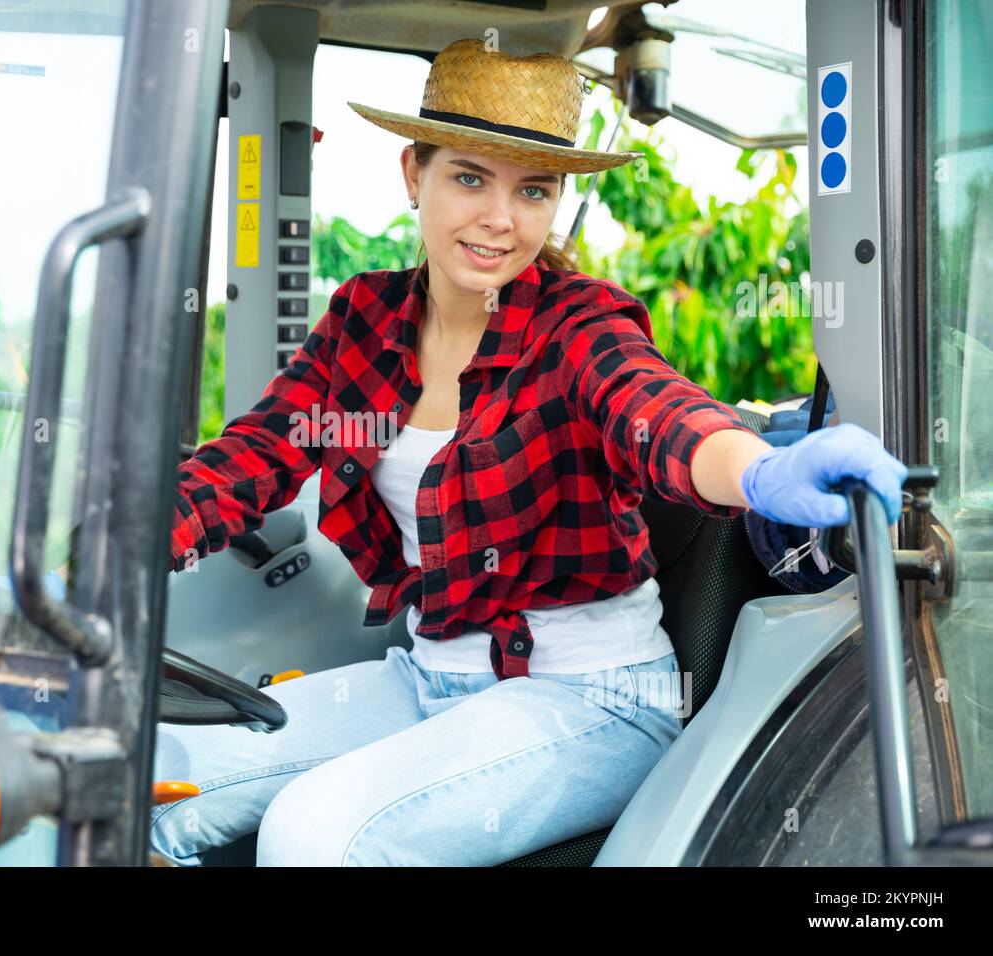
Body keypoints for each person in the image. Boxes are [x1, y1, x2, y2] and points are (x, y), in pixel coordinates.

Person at [152, 37, 908, 867]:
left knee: (317, 831)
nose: (500, 219)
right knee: (155, 773)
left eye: (533, 190)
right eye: (470, 177)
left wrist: (758, 469)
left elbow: (657, 412)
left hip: (596, 698)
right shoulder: (362, 321)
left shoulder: (577, 326)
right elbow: (259, 450)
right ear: (415, 173)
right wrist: (143, 535)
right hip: (427, 681)